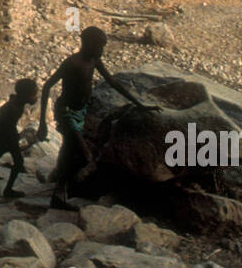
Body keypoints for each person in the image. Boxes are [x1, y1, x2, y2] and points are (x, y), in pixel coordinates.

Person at [37, 26, 158, 209]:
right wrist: (42, 124)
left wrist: (139, 104)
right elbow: (47, 87)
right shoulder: (72, 63)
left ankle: (60, 194)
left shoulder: (94, 60)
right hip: (66, 112)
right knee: (85, 155)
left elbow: (113, 82)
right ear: (87, 43)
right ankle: (62, 192)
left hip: (80, 112)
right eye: (99, 46)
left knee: (72, 153)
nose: (102, 51)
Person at [0, 79, 39, 199]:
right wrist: (15, 143)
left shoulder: (17, 103)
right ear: (25, 95)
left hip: (0, 134)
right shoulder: (13, 108)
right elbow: (7, 128)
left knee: (9, 162)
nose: (35, 97)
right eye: (33, 94)